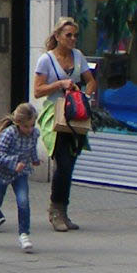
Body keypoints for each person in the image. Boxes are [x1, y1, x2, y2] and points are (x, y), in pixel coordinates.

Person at [32, 17, 97, 233]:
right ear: (58, 36)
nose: (72, 39)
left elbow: (91, 80)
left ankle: (63, 210)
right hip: (55, 115)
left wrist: (86, 96)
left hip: (75, 114)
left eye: (75, 35)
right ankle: (55, 210)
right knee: (63, 163)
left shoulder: (78, 57)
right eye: (68, 35)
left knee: (70, 163)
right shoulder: (46, 60)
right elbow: (37, 91)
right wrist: (60, 84)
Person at [0, 103, 42, 252]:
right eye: (26, 126)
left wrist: (34, 159)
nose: (30, 129)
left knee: (23, 201)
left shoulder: (34, 134)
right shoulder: (9, 134)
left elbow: (31, 148)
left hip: (21, 173)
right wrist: (14, 163)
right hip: (2, 173)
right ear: (18, 123)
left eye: (32, 125)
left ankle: (24, 234)